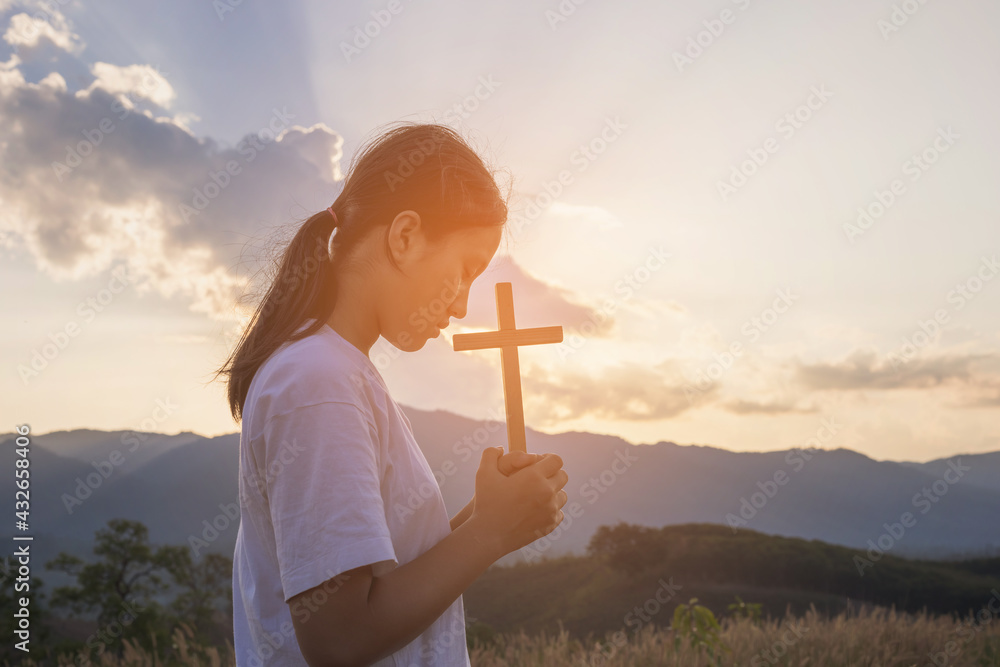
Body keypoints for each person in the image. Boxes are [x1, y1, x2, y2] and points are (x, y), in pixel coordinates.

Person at [214, 122, 570, 666]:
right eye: (464, 270)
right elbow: (339, 639)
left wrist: (482, 520)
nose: (459, 306)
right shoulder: (319, 383)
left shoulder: (334, 370)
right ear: (404, 238)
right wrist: (491, 535)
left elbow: (379, 582)